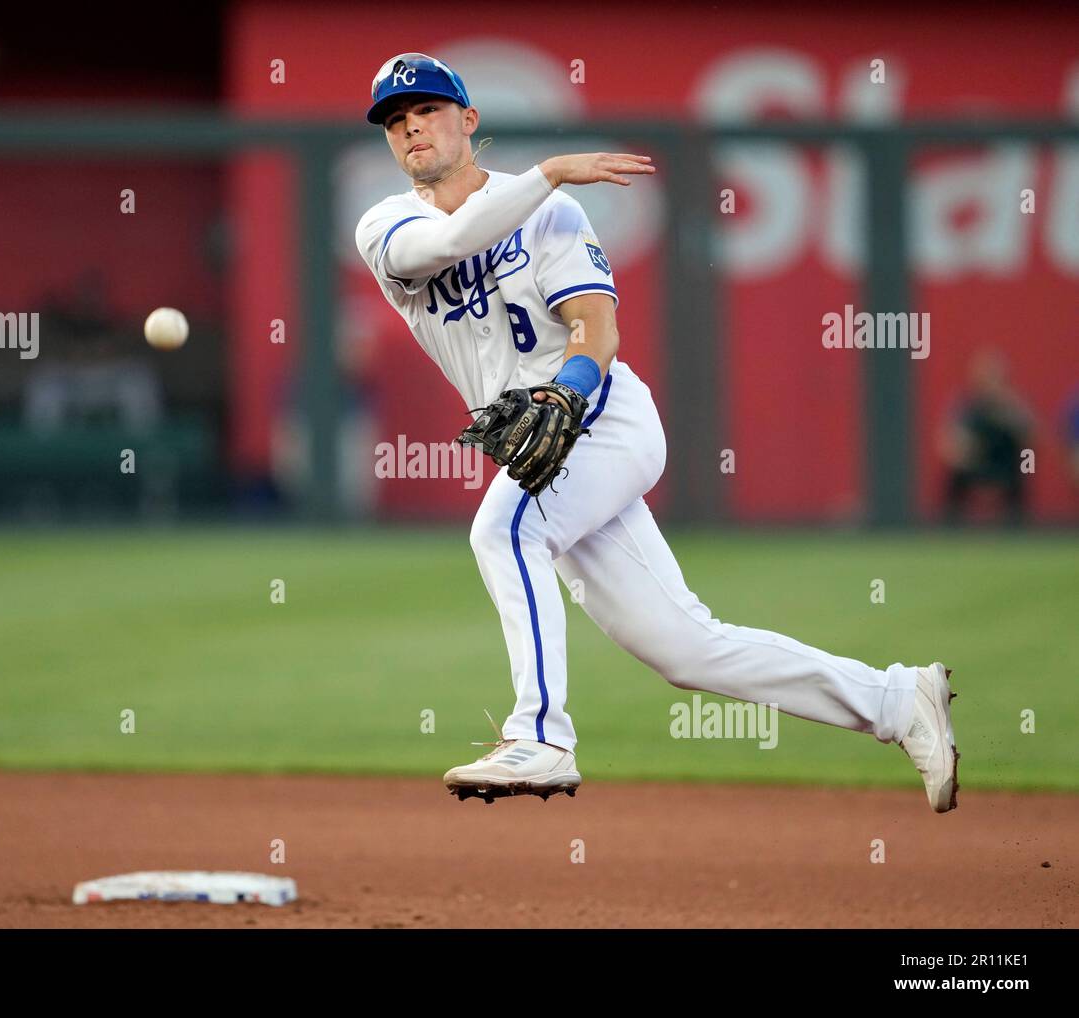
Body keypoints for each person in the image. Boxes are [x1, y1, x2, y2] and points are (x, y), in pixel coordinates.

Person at [354, 53, 959, 812]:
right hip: (540, 445)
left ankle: (540, 736)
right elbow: (439, 247)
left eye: (429, 110)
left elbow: (595, 329)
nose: (412, 127)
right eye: (396, 120)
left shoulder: (554, 212)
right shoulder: (384, 223)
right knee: (685, 648)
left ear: (468, 121)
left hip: (602, 417)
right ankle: (898, 701)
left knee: (503, 531)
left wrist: (566, 392)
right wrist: (549, 172)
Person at [938, 350, 1033, 526]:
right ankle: (949, 527)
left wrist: (1008, 414)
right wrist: (966, 448)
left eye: (994, 378)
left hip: (1007, 466)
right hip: (975, 465)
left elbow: (1031, 438)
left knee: (1028, 464)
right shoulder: (965, 406)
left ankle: (1019, 525)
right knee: (954, 475)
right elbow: (947, 445)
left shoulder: (1013, 405)